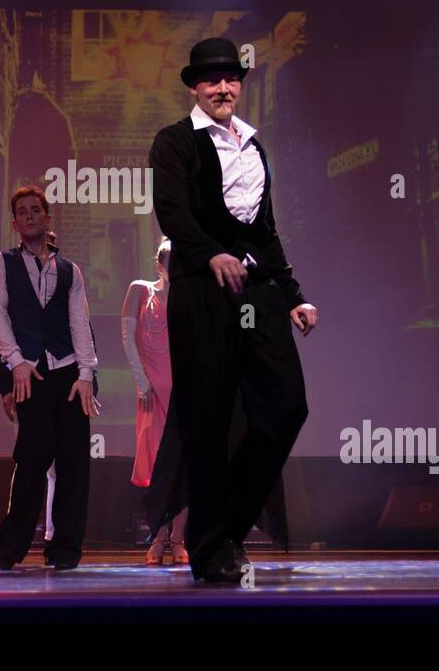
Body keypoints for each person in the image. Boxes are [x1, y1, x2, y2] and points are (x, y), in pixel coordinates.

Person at [148, 37, 319, 583]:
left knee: (287, 406)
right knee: (208, 422)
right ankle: (210, 547)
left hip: (257, 295)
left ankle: (227, 527)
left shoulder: (254, 145)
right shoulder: (176, 142)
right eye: (213, 80)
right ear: (195, 87)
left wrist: (293, 295)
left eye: (232, 79)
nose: (224, 88)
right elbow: (173, 212)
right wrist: (210, 253)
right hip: (202, 293)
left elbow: (264, 230)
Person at [0, 187, 100, 570]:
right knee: (31, 461)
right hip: (29, 372)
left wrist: (86, 374)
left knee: (74, 465)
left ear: (47, 218)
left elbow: (79, 324)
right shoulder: (1, 263)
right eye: (23, 211)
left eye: (37, 209)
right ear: (15, 223)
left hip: (67, 371)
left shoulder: (69, 270)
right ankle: (10, 547)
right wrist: (15, 362)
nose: (31, 215)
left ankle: (65, 551)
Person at [122, 237, 189, 565]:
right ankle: (158, 538)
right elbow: (127, 338)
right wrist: (142, 382)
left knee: (183, 465)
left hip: (183, 392)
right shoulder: (140, 290)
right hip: (150, 392)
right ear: (159, 264)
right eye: (170, 261)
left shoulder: (188, 297)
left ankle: (177, 539)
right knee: (155, 465)